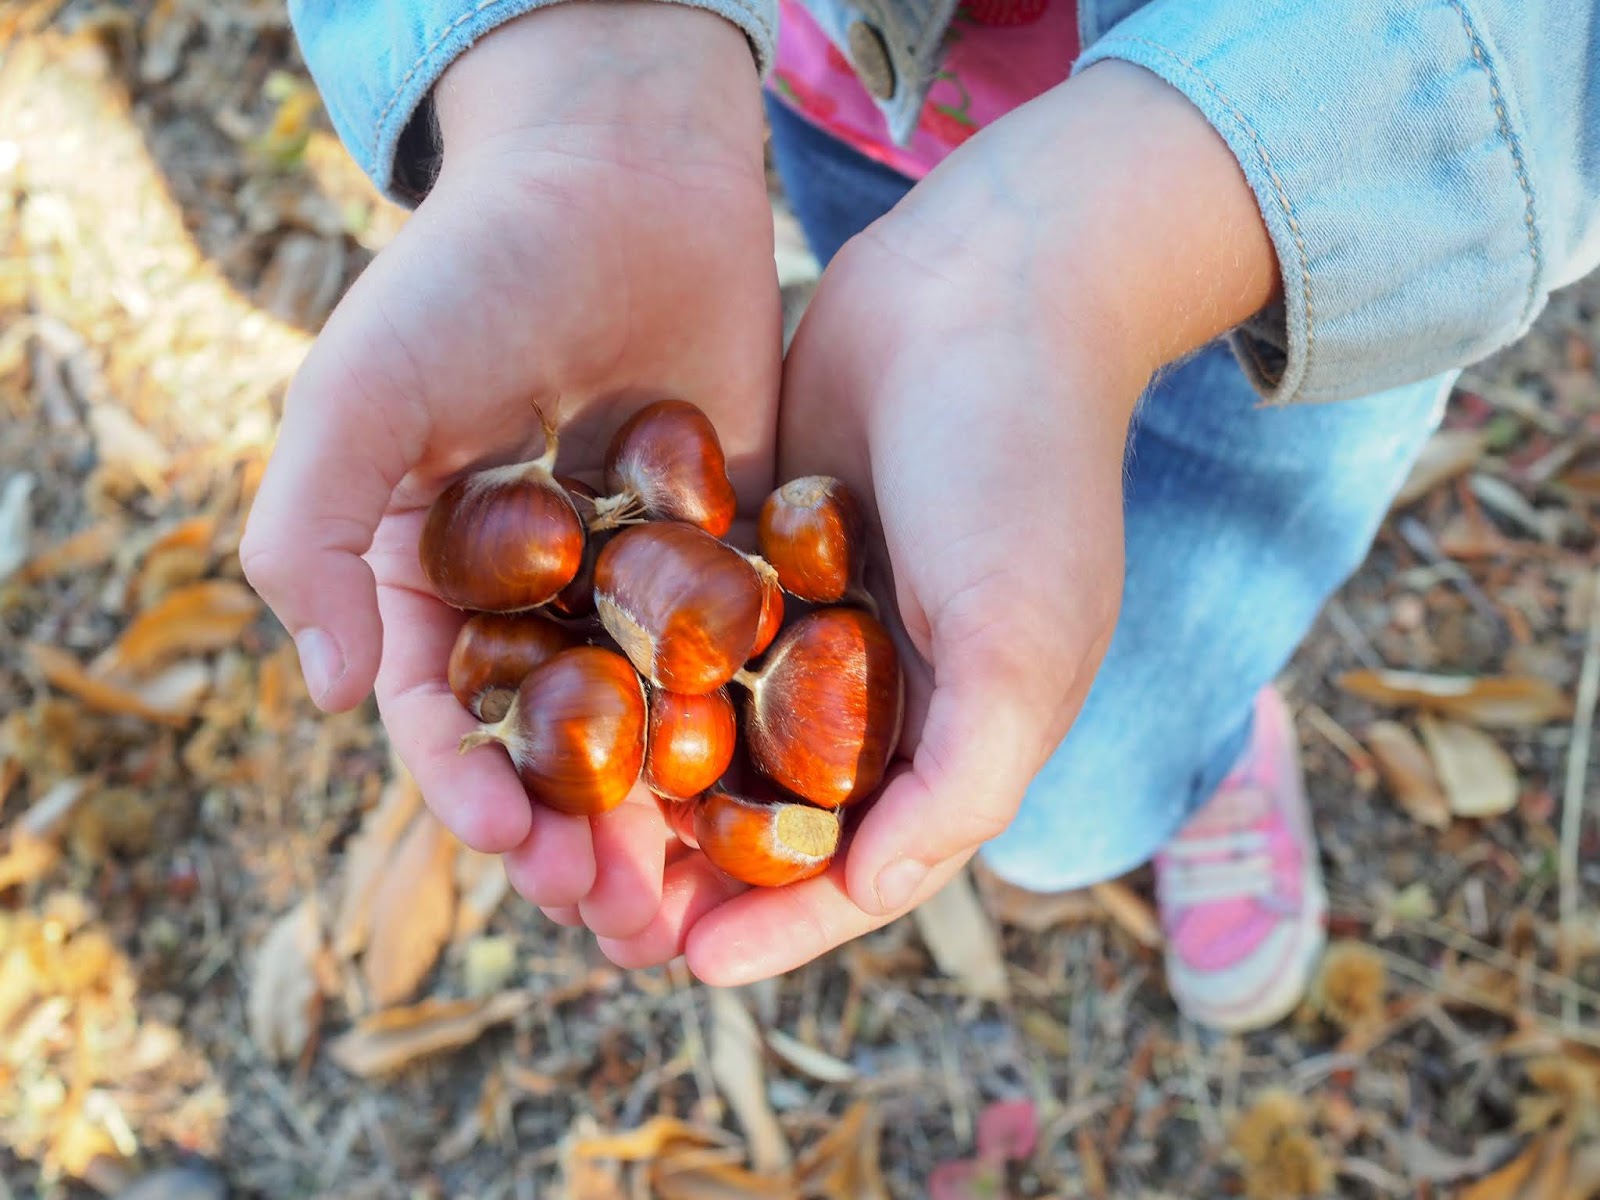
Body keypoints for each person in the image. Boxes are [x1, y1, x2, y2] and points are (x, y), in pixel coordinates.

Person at [243, 0, 1599, 1032]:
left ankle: (1216, 727)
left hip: (1309, 211)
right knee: (1039, 765)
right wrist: (582, 73)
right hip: (866, 97)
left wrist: (1098, 247)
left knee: (1124, 719)